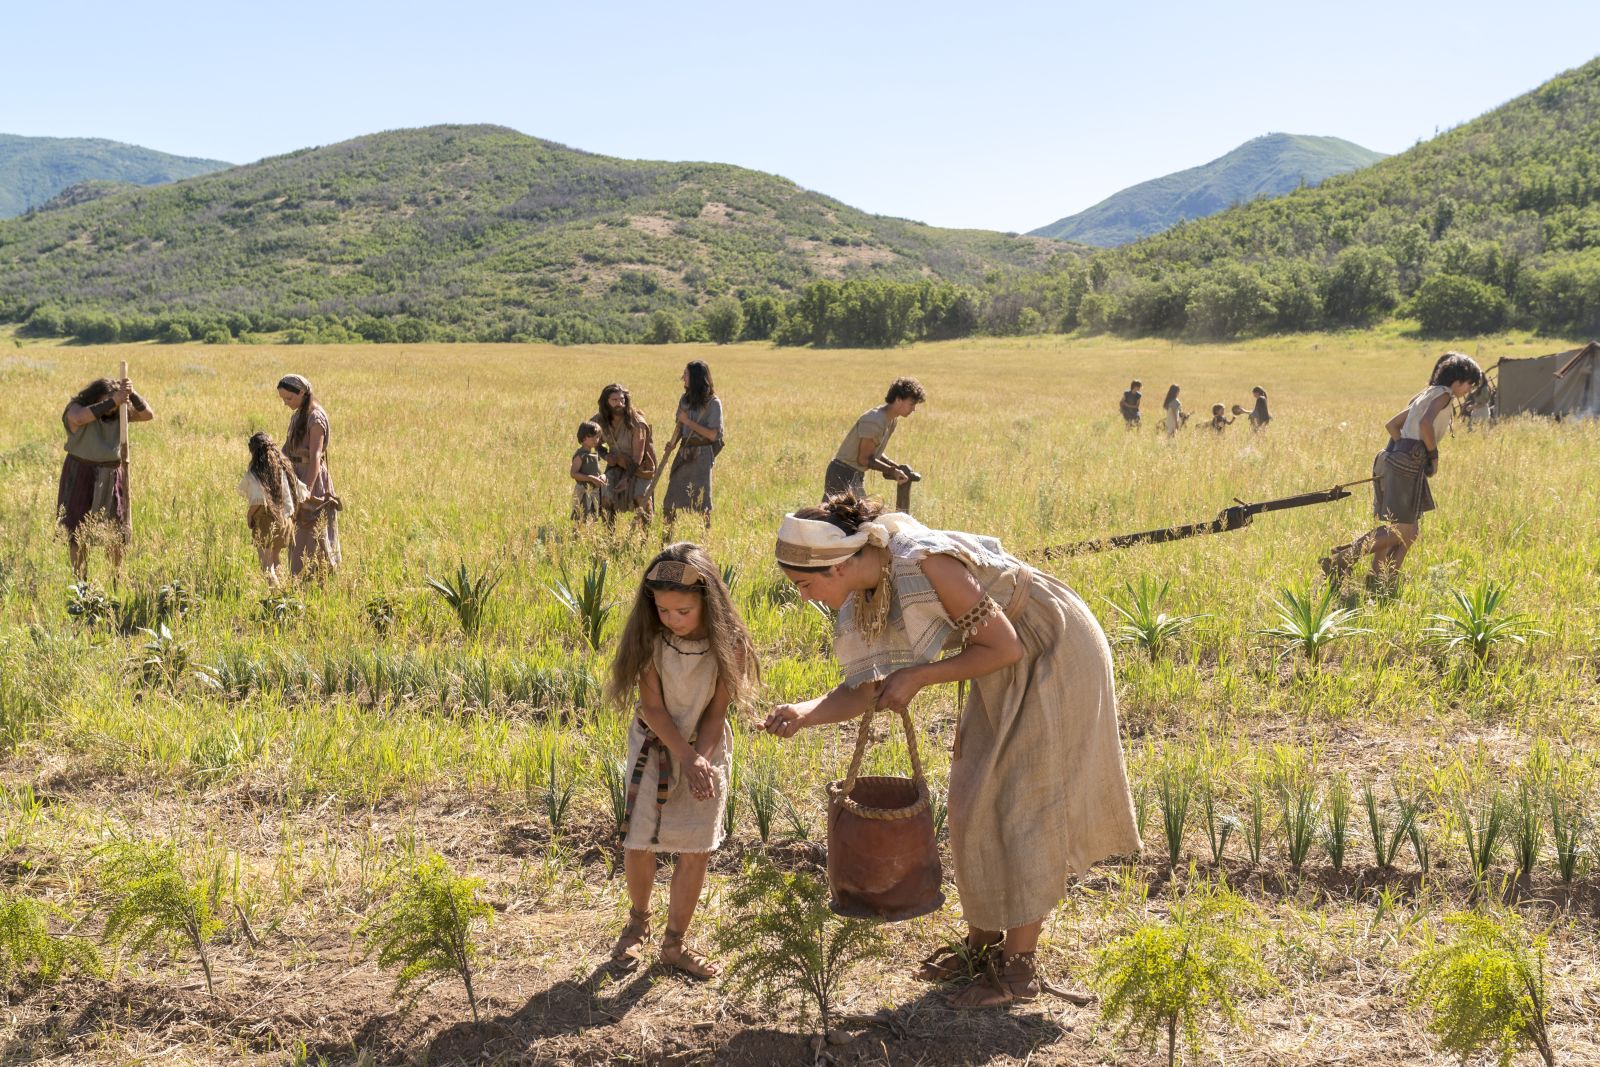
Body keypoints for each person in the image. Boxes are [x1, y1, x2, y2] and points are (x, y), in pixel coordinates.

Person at [763, 494, 1139, 1008]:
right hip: (999, 663)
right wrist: (806, 712)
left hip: (1049, 646)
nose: (806, 597)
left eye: (806, 585)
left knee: (1024, 800)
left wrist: (919, 676)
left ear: (842, 563)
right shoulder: (867, 589)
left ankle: (1019, 972)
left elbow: (1003, 646)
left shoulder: (924, 561)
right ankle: (982, 947)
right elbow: (869, 685)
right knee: (971, 797)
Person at [607, 543, 759, 979]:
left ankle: (674, 943)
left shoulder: (730, 644)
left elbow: (716, 713)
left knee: (695, 848)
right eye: (663, 610)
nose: (672, 619)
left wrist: (701, 763)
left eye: (683, 611)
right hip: (656, 745)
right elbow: (653, 711)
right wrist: (685, 756)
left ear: (707, 603)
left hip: (704, 749)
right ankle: (637, 924)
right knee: (639, 841)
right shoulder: (650, 641)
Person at [1321, 352, 1484, 589]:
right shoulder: (1444, 396)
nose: (1468, 391)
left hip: (1395, 460)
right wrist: (1430, 455)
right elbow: (1425, 424)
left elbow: (1392, 425)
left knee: (1406, 530)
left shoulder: (1425, 395)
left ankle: (1380, 576)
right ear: (1459, 380)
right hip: (1407, 464)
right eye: (1469, 384)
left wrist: (1402, 451)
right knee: (1401, 531)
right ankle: (1343, 560)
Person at [58, 376, 153, 579]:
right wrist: (113, 401)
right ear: (96, 397)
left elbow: (147, 414)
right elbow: (79, 419)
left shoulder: (120, 414)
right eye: (107, 400)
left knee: (116, 530)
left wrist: (131, 394)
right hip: (80, 473)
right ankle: (80, 582)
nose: (112, 407)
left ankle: (115, 578)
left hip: (111, 474)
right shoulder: (76, 408)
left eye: (116, 401)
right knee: (77, 530)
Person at [277, 374, 340, 576]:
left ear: (303, 393)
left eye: (289, 398)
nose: (286, 403)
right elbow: (287, 449)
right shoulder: (297, 415)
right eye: (283, 399)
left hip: (311, 479)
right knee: (297, 533)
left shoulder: (316, 417)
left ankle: (320, 580)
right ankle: (300, 580)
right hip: (295, 476)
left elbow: (315, 457)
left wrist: (305, 491)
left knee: (314, 529)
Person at [823, 377, 925, 499]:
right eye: (911, 404)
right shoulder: (875, 421)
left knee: (855, 516)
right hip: (843, 474)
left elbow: (874, 451)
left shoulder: (891, 420)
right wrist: (892, 471)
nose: (914, 409)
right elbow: (864, 459)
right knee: (844, 516)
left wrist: (894, 465)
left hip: (853, 474)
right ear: (898, 400)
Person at [237, 432, 310, 587]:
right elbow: (300, 492)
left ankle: (276, 601)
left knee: (267, 566)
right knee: (276, 560)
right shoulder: (284, 468)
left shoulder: (258, 472)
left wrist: (249, 516)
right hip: (285, 521)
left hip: (266, 522)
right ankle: (286, 595)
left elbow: (258, 500)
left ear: (254, 452)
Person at [661, 361, 724, 527]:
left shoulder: (713, 403)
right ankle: (667, 539)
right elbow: (680, 427)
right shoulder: (685, 400)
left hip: (702, 455)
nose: (683, 378)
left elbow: (712, 434)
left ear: (695, 377)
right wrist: (672, 444)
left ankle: (705, 540)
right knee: (670, 502)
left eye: (686, 374)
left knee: (703, 504)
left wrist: (688, 421)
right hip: (684, 452)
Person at [592, 383, 656, 526]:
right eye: (614, 400)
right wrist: (605, 455)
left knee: (642, 498)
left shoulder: (636, 423)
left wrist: (626, 479)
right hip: (615, 466)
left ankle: (644, 538)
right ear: (606, 402)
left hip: (641, 468)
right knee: (605, 497)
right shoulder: (600, 420)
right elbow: (592, 440)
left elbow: (638, 457)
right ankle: (609, 538)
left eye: (622, 400)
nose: (619, 403)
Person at [571, 421, 606, 522]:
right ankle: (576, 537)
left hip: (594, 492)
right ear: (585, 438)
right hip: (584, 491)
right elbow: (573, 473)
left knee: (593, 517)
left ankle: (588, 536)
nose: (597, 440)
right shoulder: (580, 455)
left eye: (598, 437)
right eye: (594, 437)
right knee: (581, 518)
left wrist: (602, 476)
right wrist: (590, 478)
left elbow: (598, 471)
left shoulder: (594, 455)